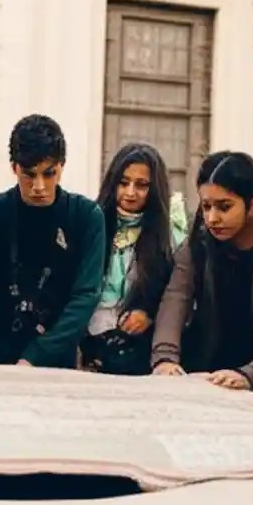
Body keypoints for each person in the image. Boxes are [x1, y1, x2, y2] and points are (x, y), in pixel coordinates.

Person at [151, 151, 253, 398]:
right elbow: (177, 296)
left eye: (224, 207)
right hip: (204, 374)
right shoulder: (199, 241)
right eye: (206, 206)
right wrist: (165, 358)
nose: (212, 218)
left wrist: (250, 374)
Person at [0, 114, 105, 367]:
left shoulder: (86, 217)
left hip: (56, 360)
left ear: (62, 166)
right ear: (14, 168)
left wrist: (35, 356)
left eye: (49, 173)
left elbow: (85, 296)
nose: (39, 186)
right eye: (29, 175)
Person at [81, 143, 185, 375]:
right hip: (84, 349)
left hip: (136, 356)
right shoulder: (90, 225)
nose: (130, 192)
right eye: (123, 182)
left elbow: (177, 298)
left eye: (141, 185)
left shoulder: (171, 236)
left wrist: (148, 314)